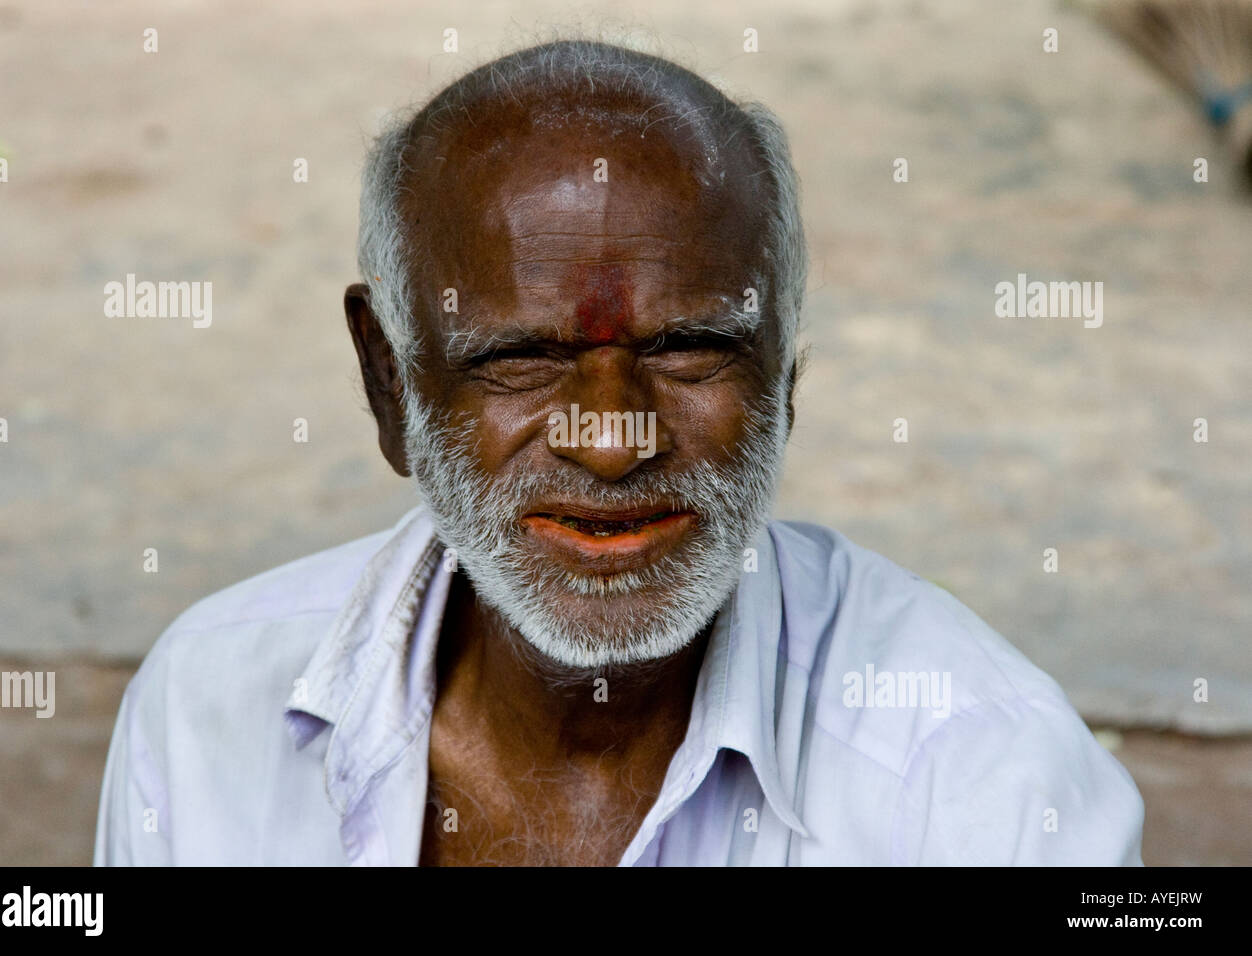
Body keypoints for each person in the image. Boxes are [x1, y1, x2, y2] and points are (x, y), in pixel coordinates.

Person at [95, 40, 1144, 866]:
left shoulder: (987, 784)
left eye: (689, 349)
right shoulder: (207, 710)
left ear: (784, 380)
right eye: (520, 357)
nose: (609, 441)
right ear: (389, 384)